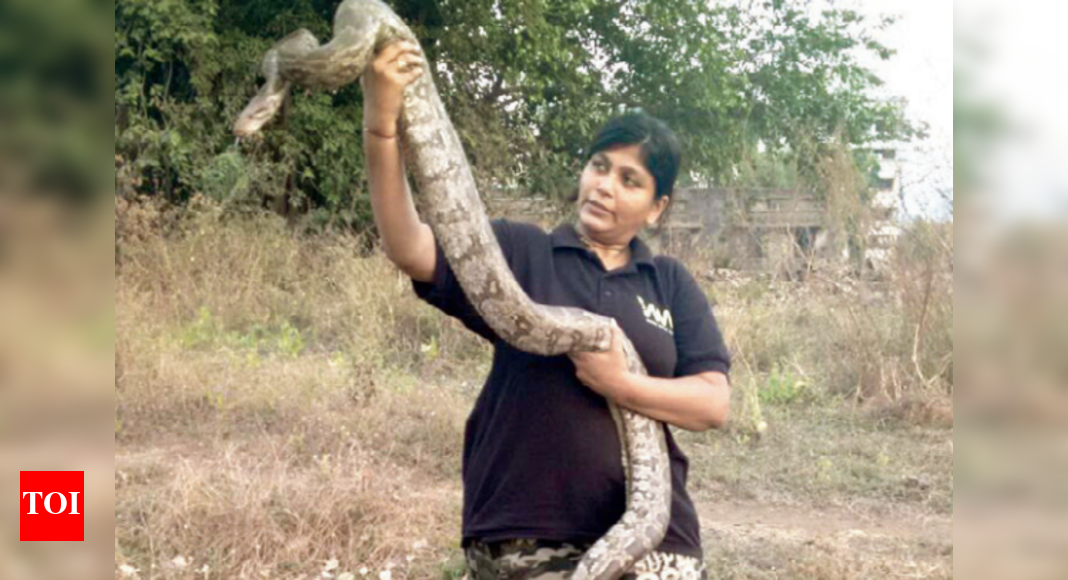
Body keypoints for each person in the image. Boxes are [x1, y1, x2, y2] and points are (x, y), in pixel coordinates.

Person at [362, 41, 731, 580]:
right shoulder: (520, 251)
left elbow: (712, 404)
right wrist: (381, 127)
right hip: (528, 531)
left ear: (657, 208)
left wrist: (621, 384)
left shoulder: (669, 282)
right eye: (599, 167)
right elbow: (410, 248)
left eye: (629, 180)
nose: (605, 186)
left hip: (657, 544)